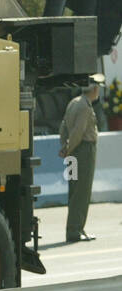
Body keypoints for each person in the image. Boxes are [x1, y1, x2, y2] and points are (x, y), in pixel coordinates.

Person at [59, 73, 104, 243]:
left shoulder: (74, 102)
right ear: (94, 89)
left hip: (73, 151)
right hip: (83, 151)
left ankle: (75, 228)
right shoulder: (85, 106)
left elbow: (63, 126)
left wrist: (64, 147)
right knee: (82, 191)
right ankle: (75, 230)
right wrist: (70, 148)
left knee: (74, 189)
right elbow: (78, 132)